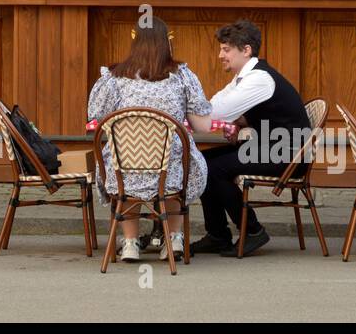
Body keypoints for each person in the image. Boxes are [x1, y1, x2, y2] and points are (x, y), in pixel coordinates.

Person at [87, 19, 213, 263]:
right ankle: (173, 239)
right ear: (168, 43)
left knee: (123, 169)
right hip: (170, 173)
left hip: (124, 170)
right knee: (182, 165)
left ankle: (131, 244)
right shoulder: (182, 76)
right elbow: (203, 127)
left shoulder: (113, 78)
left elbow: (96, 118)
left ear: (134, 43)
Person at [191, 19, 312, 257]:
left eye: (226, 49)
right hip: (271, 147)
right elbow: (215, 104)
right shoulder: (245, 77)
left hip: (287, 155)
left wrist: (191, 111)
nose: (220, 55)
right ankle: (217, 236)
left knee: (213, 168)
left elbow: (216, 112)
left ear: (246, 50)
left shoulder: (259, 79)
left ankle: (253, 230)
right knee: (202, 161)